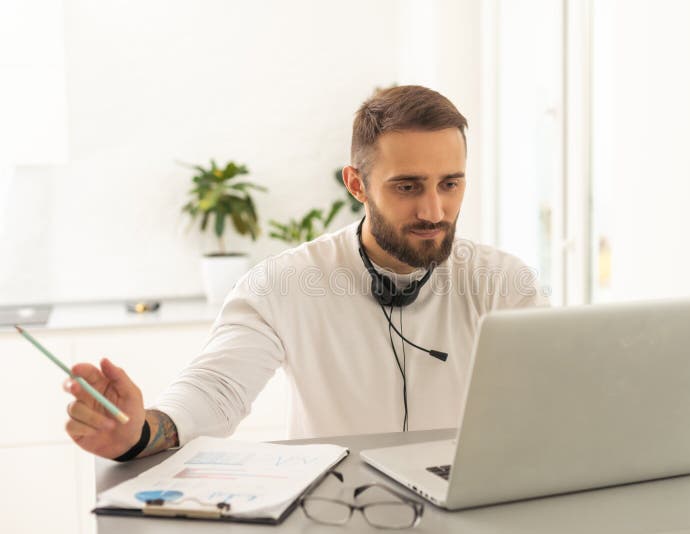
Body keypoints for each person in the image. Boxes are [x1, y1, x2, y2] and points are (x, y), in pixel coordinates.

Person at [63, 85, 548, 461]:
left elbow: (558, 393)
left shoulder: (504, 283)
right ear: (357, 184)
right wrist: (141, 432)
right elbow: (216, 390)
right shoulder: (284, 283)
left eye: (450, 184)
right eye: (407, 187)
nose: (433, 210)